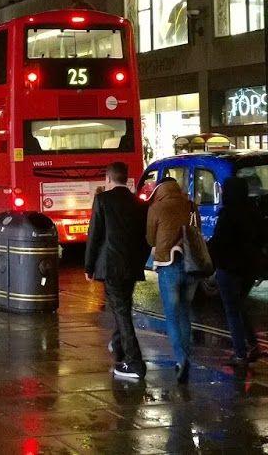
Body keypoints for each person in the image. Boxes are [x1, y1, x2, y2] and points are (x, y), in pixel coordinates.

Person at [85, 161, 148, 381]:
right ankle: (119, 348)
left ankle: (135, 363)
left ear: (109, 179)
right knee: (123, 308)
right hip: (131, 266)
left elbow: (94, 235)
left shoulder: (103, 200)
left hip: (110, 266)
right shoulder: (138, 202)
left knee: (122, 314)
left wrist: (89, 266)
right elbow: (145, 239)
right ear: (126, 178)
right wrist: (140, 261)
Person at [146, 175, 199, 382]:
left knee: (172, 315)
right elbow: (196, 233)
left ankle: (181, 359)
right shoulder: (190, 205)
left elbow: (150, 239)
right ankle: (185, 358)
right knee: (185, 313)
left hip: (169, 266)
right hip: (191, 265)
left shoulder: (156, 208)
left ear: (160, 189)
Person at [208, 176, 265, 363]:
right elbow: (263, 237)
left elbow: (219, 243)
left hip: (229, 268)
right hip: (249, 268)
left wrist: (209, 255)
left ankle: (240, 352)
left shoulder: (228, 214)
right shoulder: (254, 212)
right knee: (239, 305)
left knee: (232, 310)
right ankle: (253, 344)